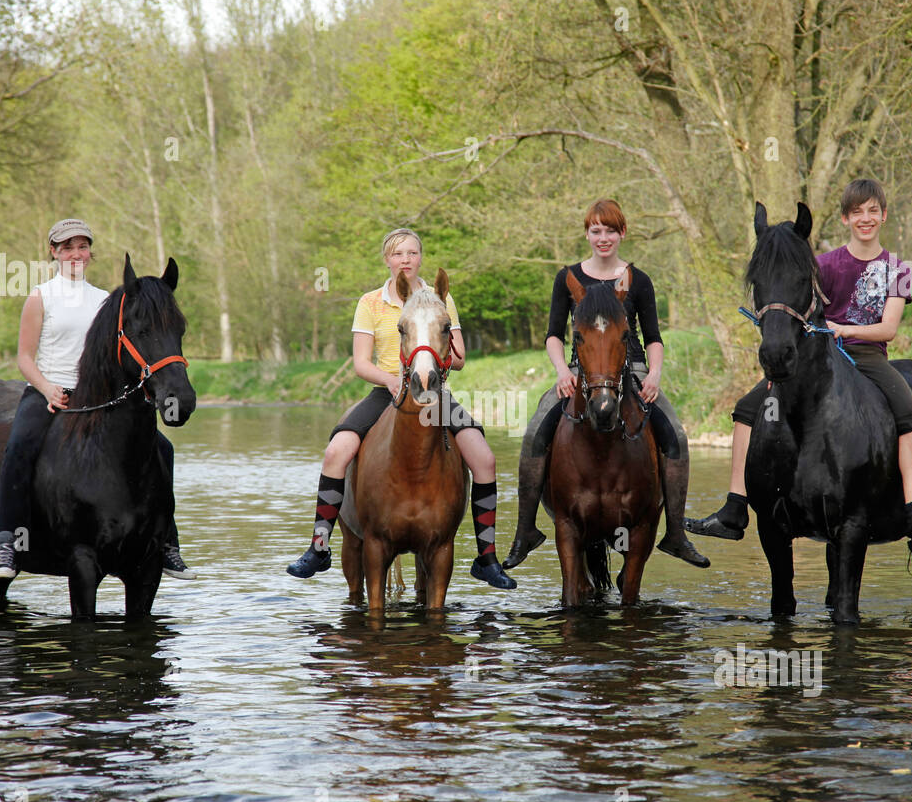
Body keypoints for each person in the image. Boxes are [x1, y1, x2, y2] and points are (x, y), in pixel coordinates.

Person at [687, 178, 912, 548]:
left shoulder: (897, 268)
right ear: (846, 219)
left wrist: (841, 328)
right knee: (747, 408)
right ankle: (735, 507)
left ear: (883, 216)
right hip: (820, 357)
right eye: (857, 212)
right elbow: (801, 305)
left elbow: (889, 329)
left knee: (909, 414)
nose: (866, 218)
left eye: (872, 211)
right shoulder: (823, 264)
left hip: (866, 356)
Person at [285, 227, 517, 589]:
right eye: (397, 254)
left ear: (420, 257)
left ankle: (486, 557)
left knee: (484, 459)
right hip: (387, 391)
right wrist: (392, 379)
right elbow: (361, 363)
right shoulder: (371, 303)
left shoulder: (440, 297)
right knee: (336, 451)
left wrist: (440, 357)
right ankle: (318, 547)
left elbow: (460, 359)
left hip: (434, 394)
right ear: (387, 260)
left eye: (411, 253)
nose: (405, 260)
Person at [503, 199, 710, 570]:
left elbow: (654, 336)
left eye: (610, 230)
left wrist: (655, 374)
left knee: (675, 435)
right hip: (578, 374)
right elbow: (553, 334)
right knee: (535, 430)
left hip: (631, 371)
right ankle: (525, 531)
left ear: (622, 233)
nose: (603, 238)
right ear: (587, 234)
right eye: (596, 231)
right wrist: (561, 372)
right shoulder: (568, 278)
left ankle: (676, 534)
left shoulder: (638, 280)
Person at [0, 218, 196, 580]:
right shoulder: (41, 296)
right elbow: (24, 357)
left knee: (163, 449)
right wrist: (46, 388)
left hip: (96, 398)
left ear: (90, 253)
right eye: (66, 247)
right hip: (49, 390)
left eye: (82, 247)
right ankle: (7, 542)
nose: (75, 254)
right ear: (53, 252)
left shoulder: (107, 301)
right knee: (19, 447)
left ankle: (167, 543)